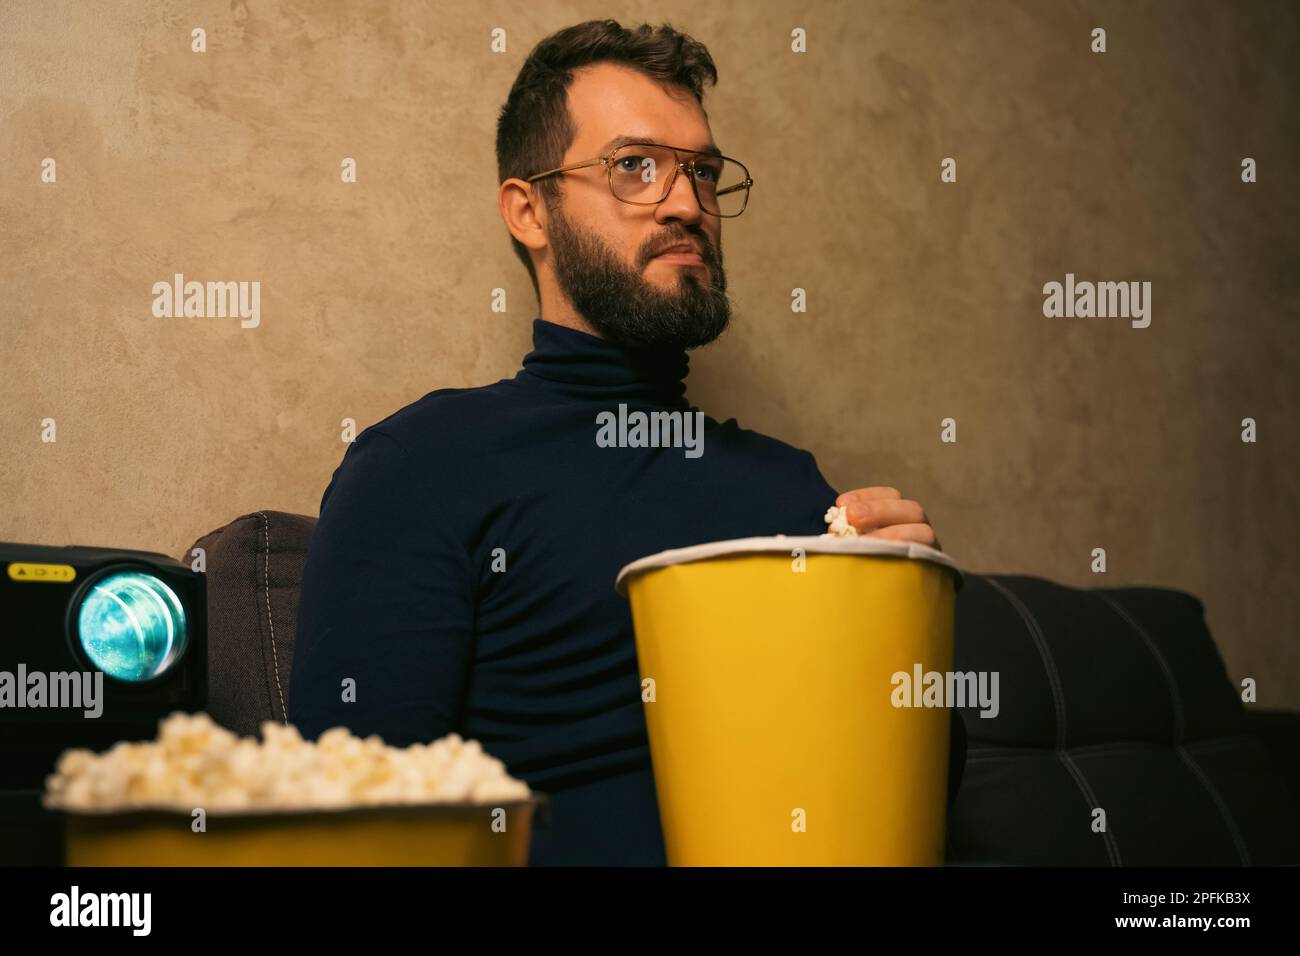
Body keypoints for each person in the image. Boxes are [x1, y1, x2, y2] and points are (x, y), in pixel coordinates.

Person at [289, 18, 963, 865]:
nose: (687, 203)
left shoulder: (792, 490)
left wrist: (907, 618)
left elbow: (903, 801)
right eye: (634, 167)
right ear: (529, 210)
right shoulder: (423, 466)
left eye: (702, 171)